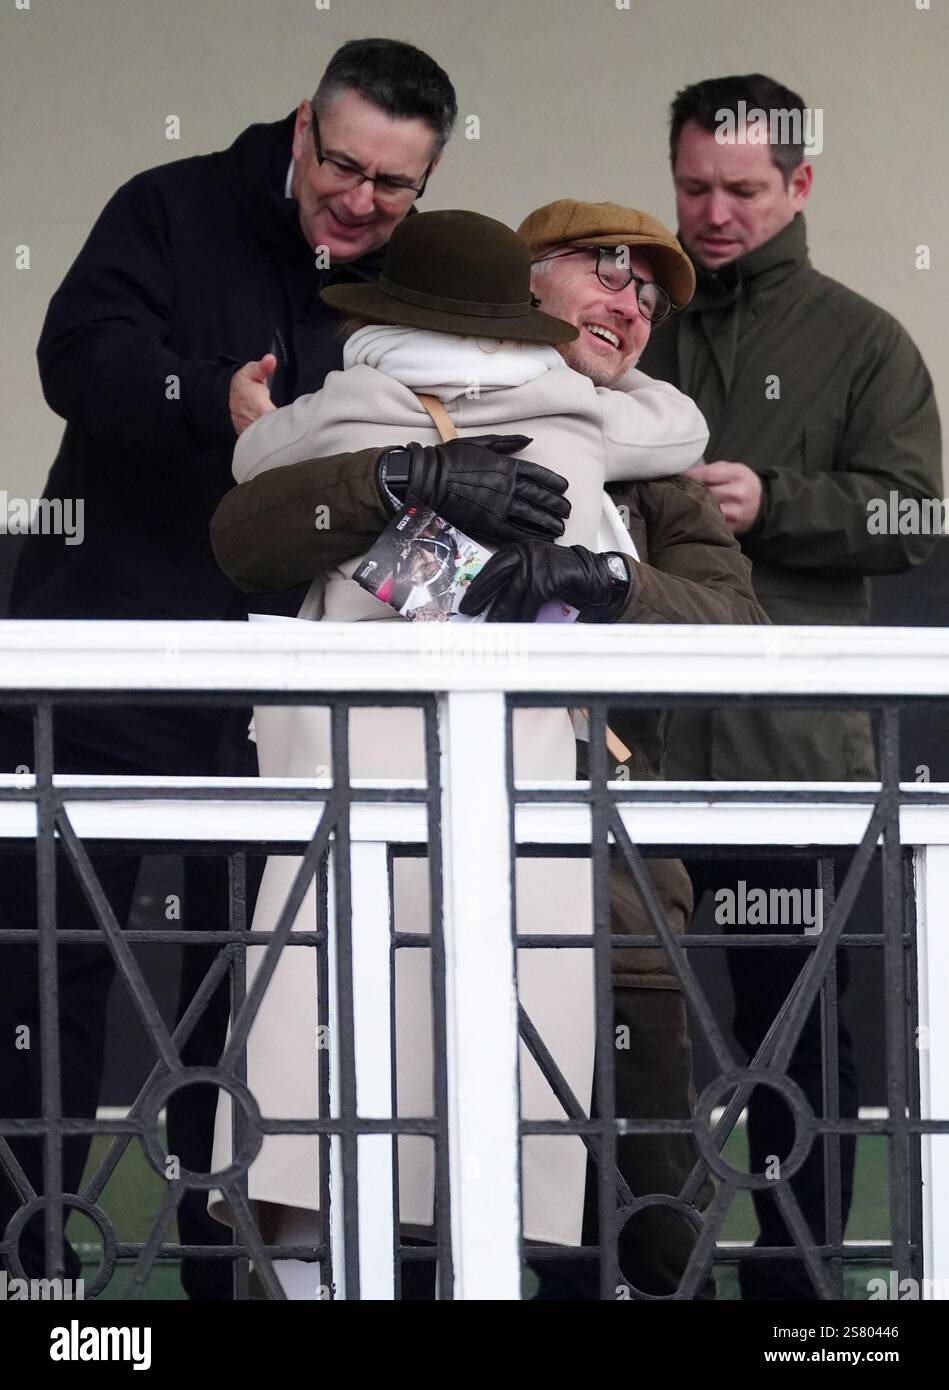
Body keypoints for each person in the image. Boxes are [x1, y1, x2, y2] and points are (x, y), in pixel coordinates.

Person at [0, 38, 565, 1301]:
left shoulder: (403, 273)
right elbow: (75, 353)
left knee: (250, 982)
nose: (361, 203)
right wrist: (214, 399)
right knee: (48, 963)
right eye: (345, 167)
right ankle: (27, 1260)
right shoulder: (171, 206)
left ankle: (223, 1266)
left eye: (394, 187)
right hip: (108, 650)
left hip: (292, 683)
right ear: (302, 127)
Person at [209, 198, 770, 1298]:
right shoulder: (350, 424)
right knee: (342, 1120)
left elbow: (734, 629)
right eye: (604, 273)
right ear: (526, 295)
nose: (629, 303)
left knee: (640, 1204)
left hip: (605, 872)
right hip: (371, 847)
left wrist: (601, 583)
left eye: (648, 294)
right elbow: (245, 538)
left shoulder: (641, 457)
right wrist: (390, 482)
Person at [637, 73, 943, 1299]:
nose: (714, 214)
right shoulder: (629, 316)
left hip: (786, 752)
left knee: (795, 1029)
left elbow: (915, 515)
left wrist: (777, 502)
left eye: (743, 191)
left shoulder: (866, 337)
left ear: (800, 184)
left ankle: (803, 1271)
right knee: (624, 1020)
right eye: (694, 187)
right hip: (632, 745)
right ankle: (642, 1256)